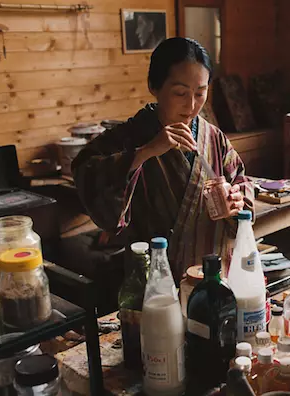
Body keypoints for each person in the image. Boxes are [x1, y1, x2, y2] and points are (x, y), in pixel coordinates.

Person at [72, 38, 253, 282]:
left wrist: (237, 199)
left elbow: (240, 180)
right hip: (154, 277)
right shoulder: (130, 136)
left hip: (215, 270)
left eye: (200, 93)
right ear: (154, 86)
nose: (191, 105)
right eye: (180, 93)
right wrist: (144, 152)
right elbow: (86, 170)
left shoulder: (213, 136)